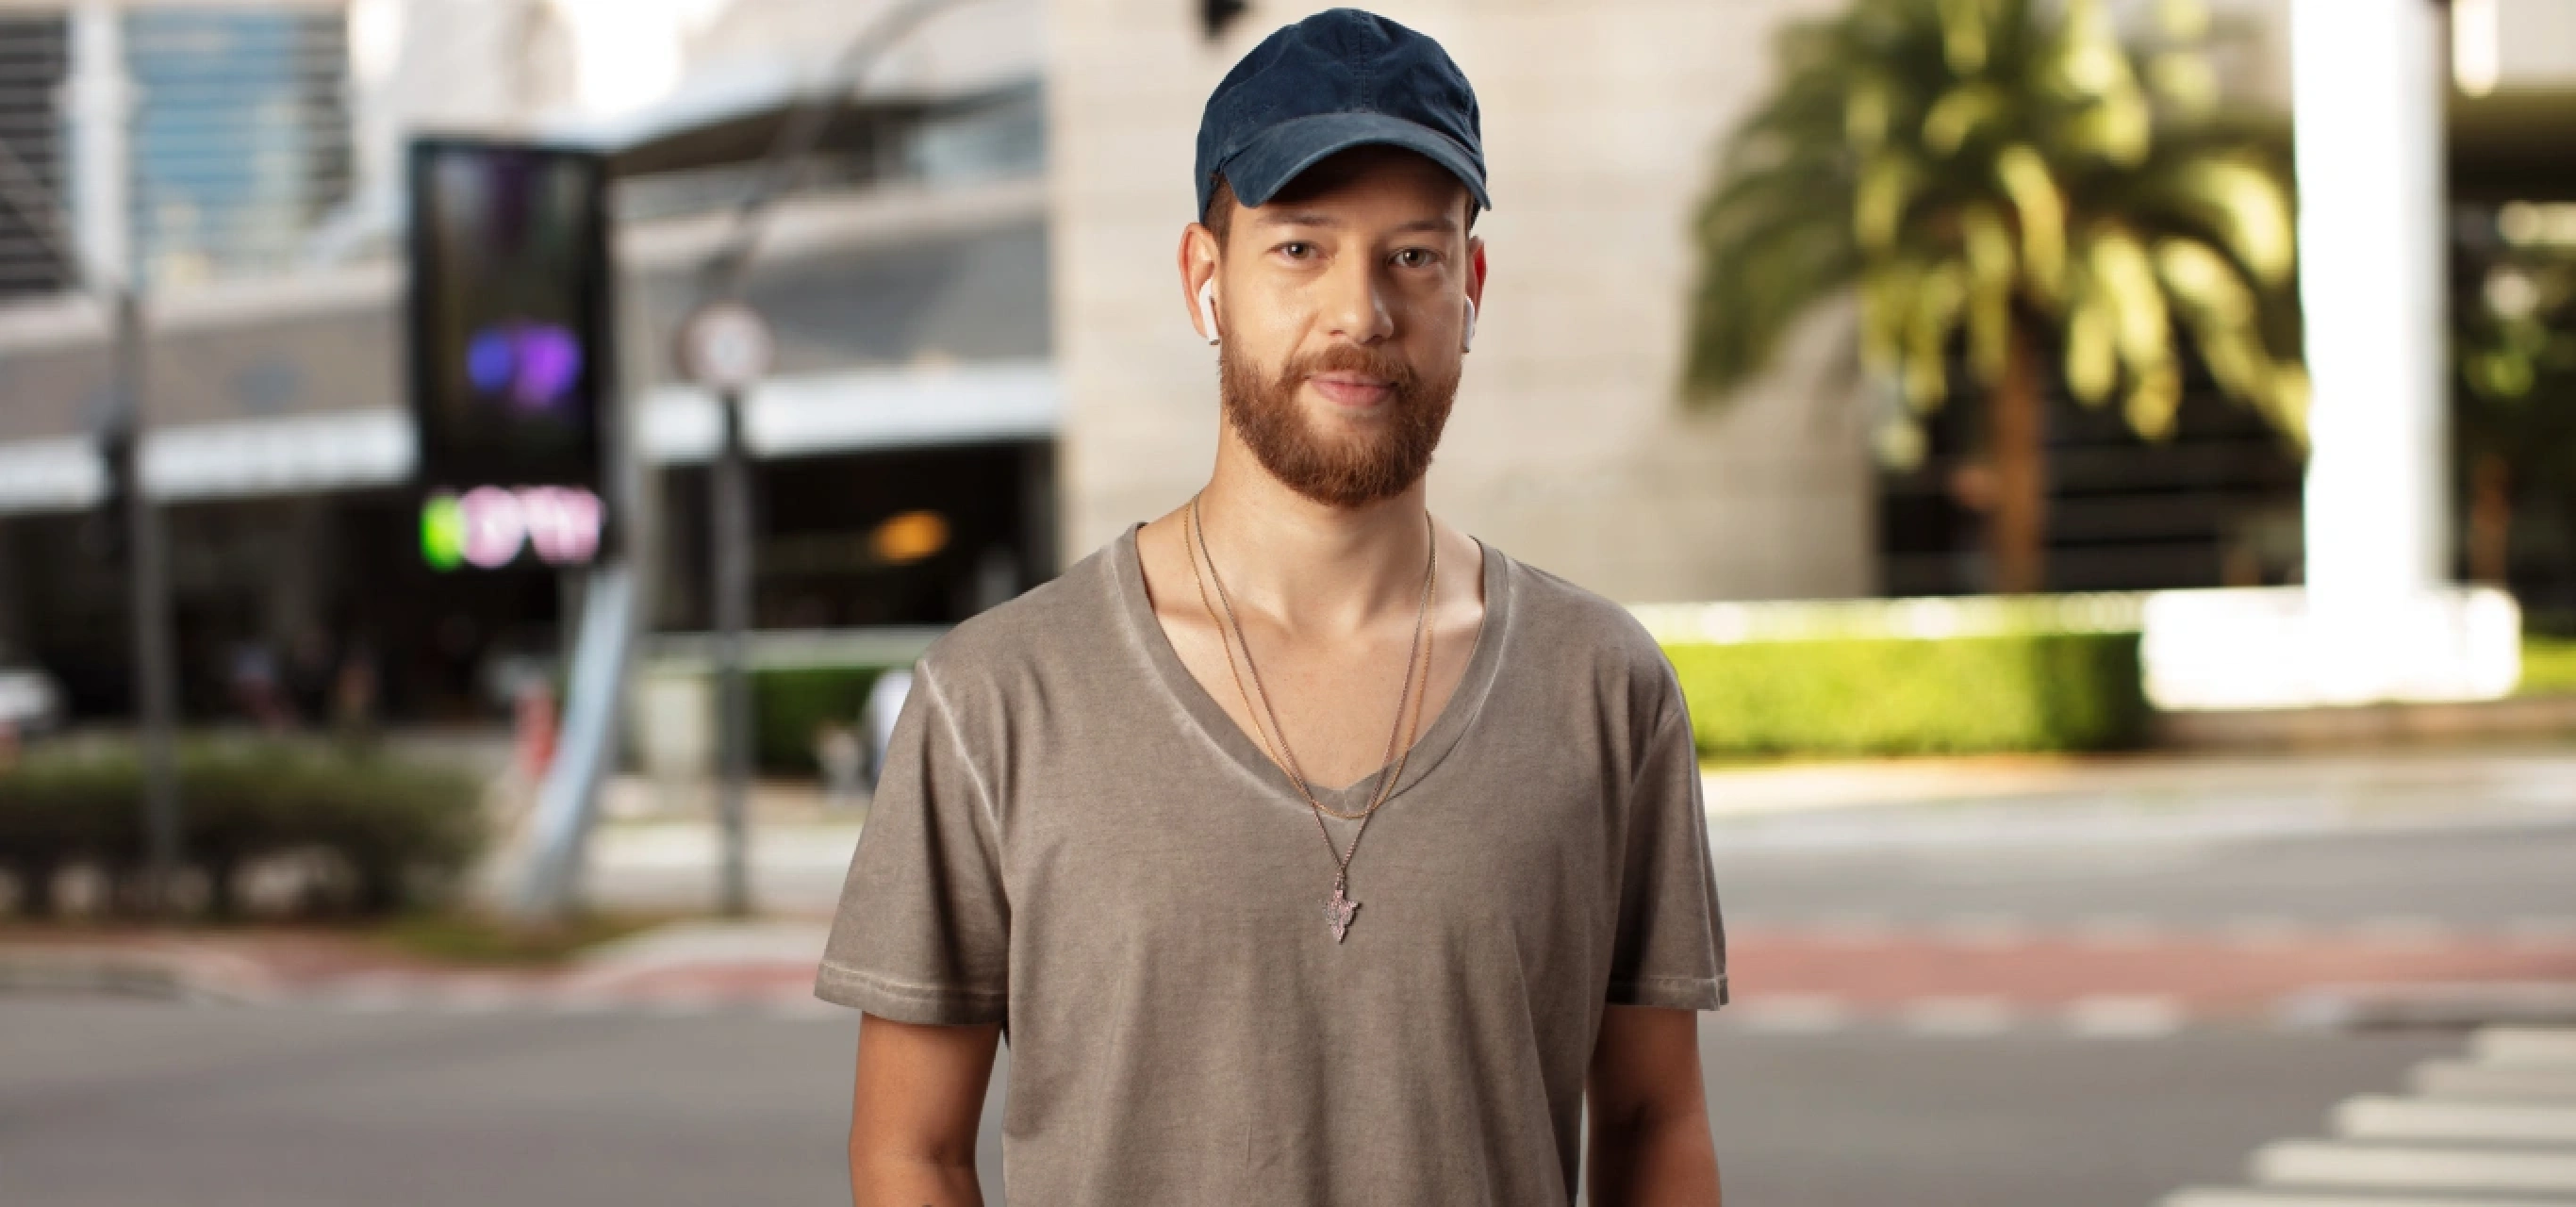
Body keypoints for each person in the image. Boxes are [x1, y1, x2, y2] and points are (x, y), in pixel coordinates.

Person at [817, 9, 1728, 1204]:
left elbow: (1655, 1120)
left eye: (1413, 253)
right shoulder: (997, 699)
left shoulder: (1601, 686)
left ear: (1471, 286)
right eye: (1299, 248)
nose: (1359, 312)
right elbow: (908, 1152)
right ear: (1208, 278)